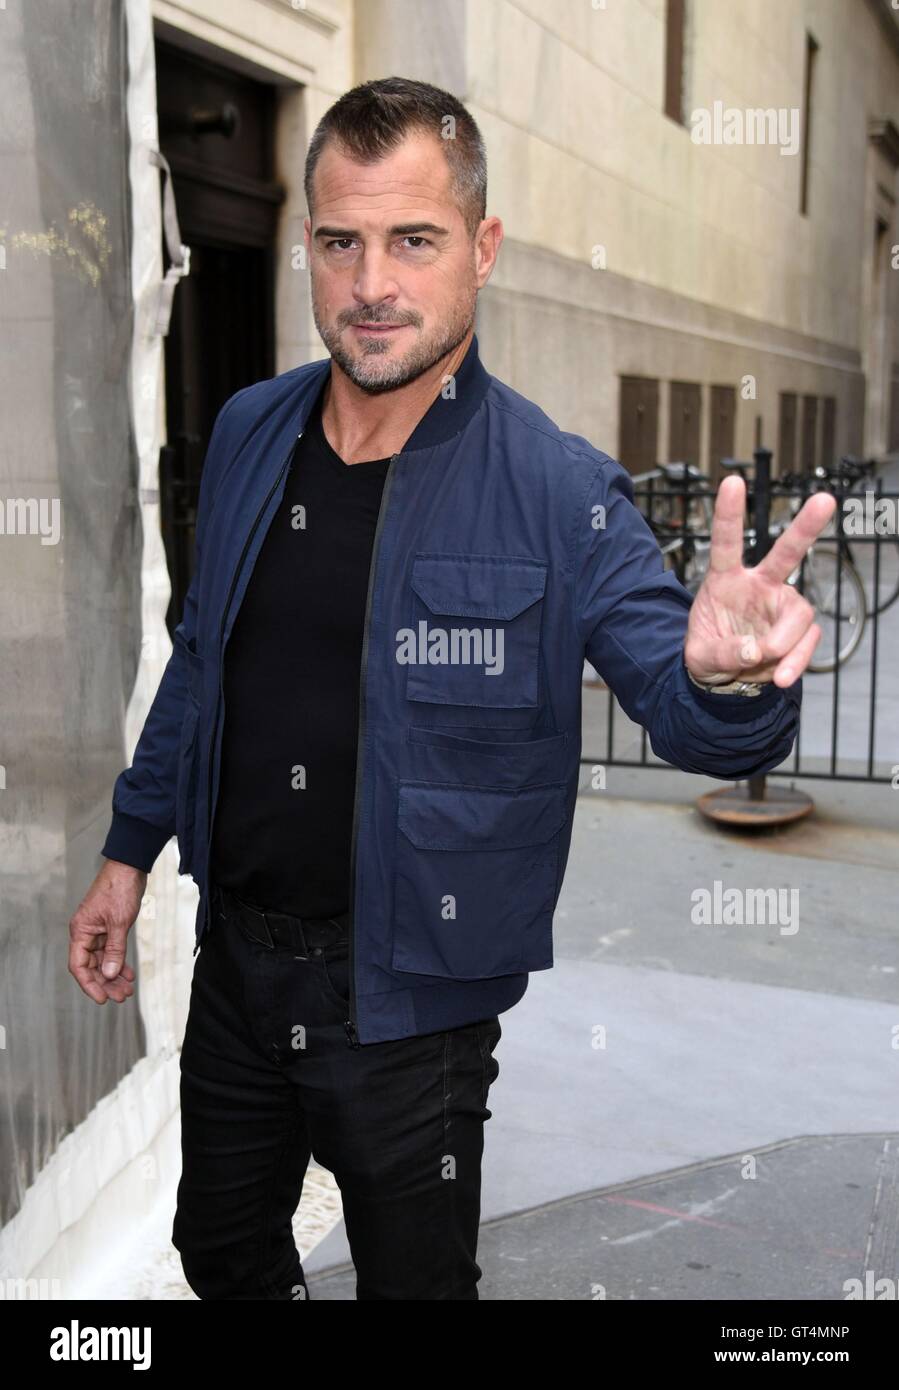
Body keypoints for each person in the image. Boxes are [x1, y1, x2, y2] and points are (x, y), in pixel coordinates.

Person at [68, 76, 835, 1300]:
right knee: (218, 1251)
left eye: (412, 240)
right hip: (235, 966)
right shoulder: (256, 429)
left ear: (480, 249)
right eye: (339, 242)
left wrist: (729, 680)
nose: (371, 283)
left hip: (410, 1002)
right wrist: (127, 848)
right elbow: (205, 662)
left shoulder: (556, 486)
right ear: (307, 251)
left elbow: (680, 707)